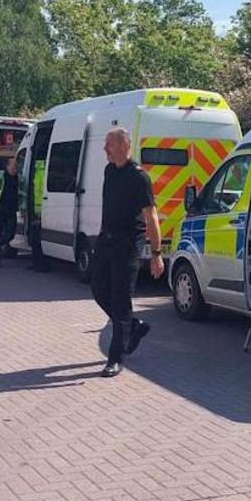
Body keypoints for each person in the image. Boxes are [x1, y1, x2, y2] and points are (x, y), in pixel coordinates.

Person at [92, 127, 164, 378]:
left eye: (108, 144)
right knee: (98, 290)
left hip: (127, 246)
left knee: (121, 301)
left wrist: (156, 253)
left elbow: (151, 216)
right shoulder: (109, 170)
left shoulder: (139, 177)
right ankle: (133, 326)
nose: (104, 149)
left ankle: (115, 358)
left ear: (123, 145)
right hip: (106, 242)